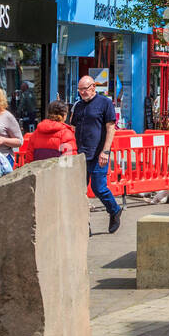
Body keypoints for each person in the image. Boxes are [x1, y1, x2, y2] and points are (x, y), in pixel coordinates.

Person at [71, 75, 122, 234]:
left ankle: (114, 210)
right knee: (79, 191)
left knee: (98, 187)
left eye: (85, 89)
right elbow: (73, 128)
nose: (82, 93)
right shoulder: (78, 106)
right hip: (81, 154)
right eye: (80, 90)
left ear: (93, 87)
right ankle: (84, 225)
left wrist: (105, 151)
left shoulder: (105, 103)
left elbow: (110, 128)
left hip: (98, 153)